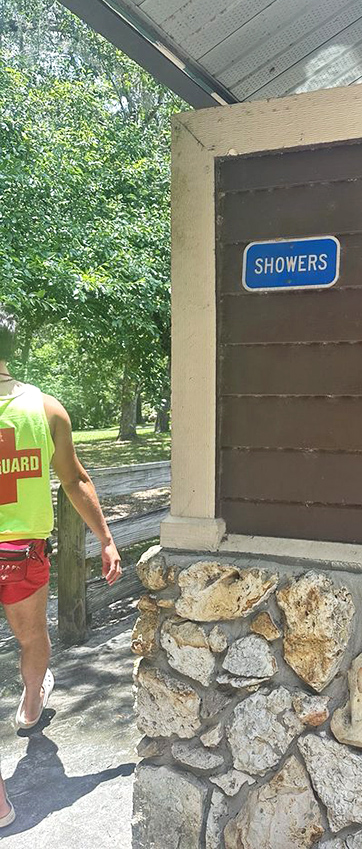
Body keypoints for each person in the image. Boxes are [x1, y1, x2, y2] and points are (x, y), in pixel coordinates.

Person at [0, 305, 121, 829]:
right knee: (32, 641)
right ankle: (31, 704)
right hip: (21, 556)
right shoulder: (47, 409)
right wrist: (107, 539)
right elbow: (74, 480)